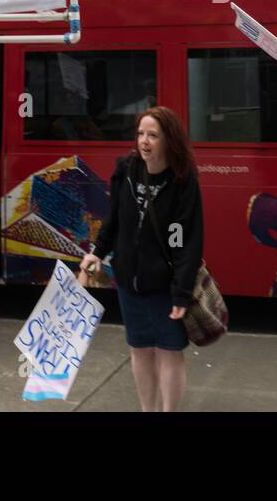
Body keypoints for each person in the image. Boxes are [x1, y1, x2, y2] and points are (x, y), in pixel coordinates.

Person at [80, 107, 204, 412]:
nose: (144, 141)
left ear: (168, 140)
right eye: (140, 134)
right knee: (139, 349)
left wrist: (182, 291)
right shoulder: (127, 169)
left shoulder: (182, 179)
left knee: (169, 351)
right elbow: (114, 219)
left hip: (166, 284)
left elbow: (188, 241)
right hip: (128, 280)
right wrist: (97, 252)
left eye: (153, 135)